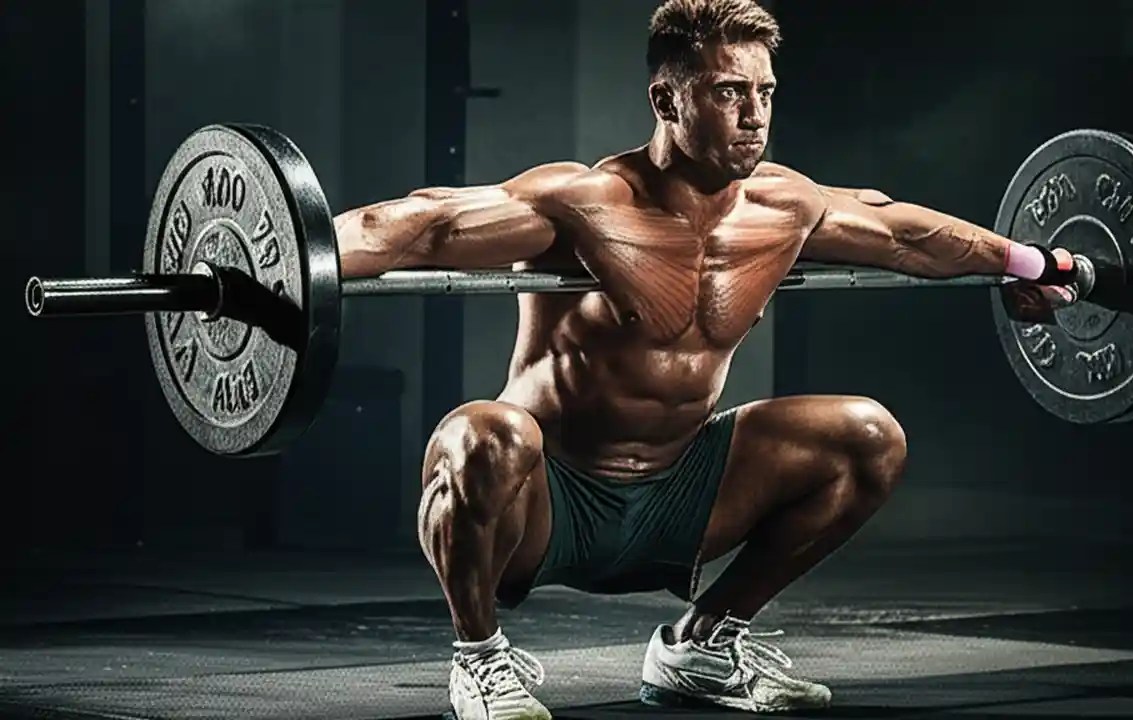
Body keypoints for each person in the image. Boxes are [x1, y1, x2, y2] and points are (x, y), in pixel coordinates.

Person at [334, 1, 1078, 717]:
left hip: (681, 496)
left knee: (868, 437)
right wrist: (288, 267)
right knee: (481, 435)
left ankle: (703, 645)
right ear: (667, 99)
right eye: (729, 93)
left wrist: (1027, 261)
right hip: (549, 505)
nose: (755, 115)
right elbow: (417, 229)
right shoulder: (583, 201)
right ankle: (480, 657)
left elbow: (908, 236)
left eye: (764, 93)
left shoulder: (785, 206)